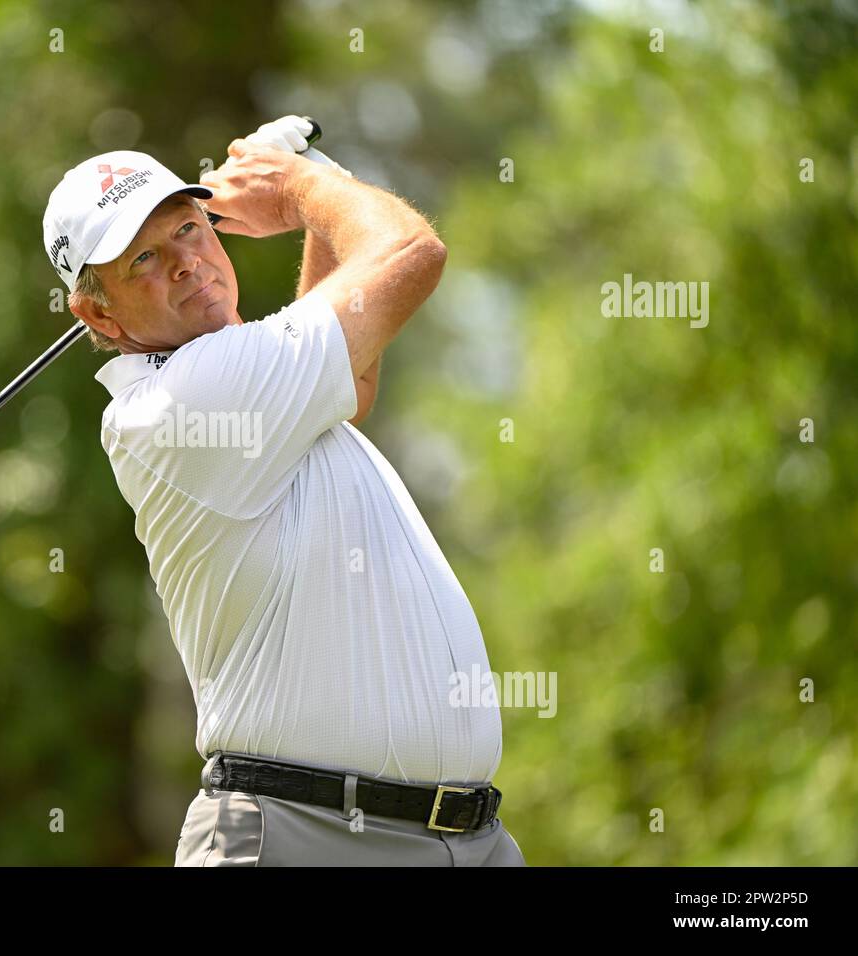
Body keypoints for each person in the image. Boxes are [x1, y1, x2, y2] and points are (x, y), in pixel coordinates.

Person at [41, 116, 525, 866]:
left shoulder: (250, 390)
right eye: (142, 258)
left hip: (465, 841)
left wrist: (306, 176)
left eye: (189, 229)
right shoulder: (181, 407)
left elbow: (352, 384)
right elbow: (410, 252)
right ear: (97, 312)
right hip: (301, 836)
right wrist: (301, 186)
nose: (184, 262)